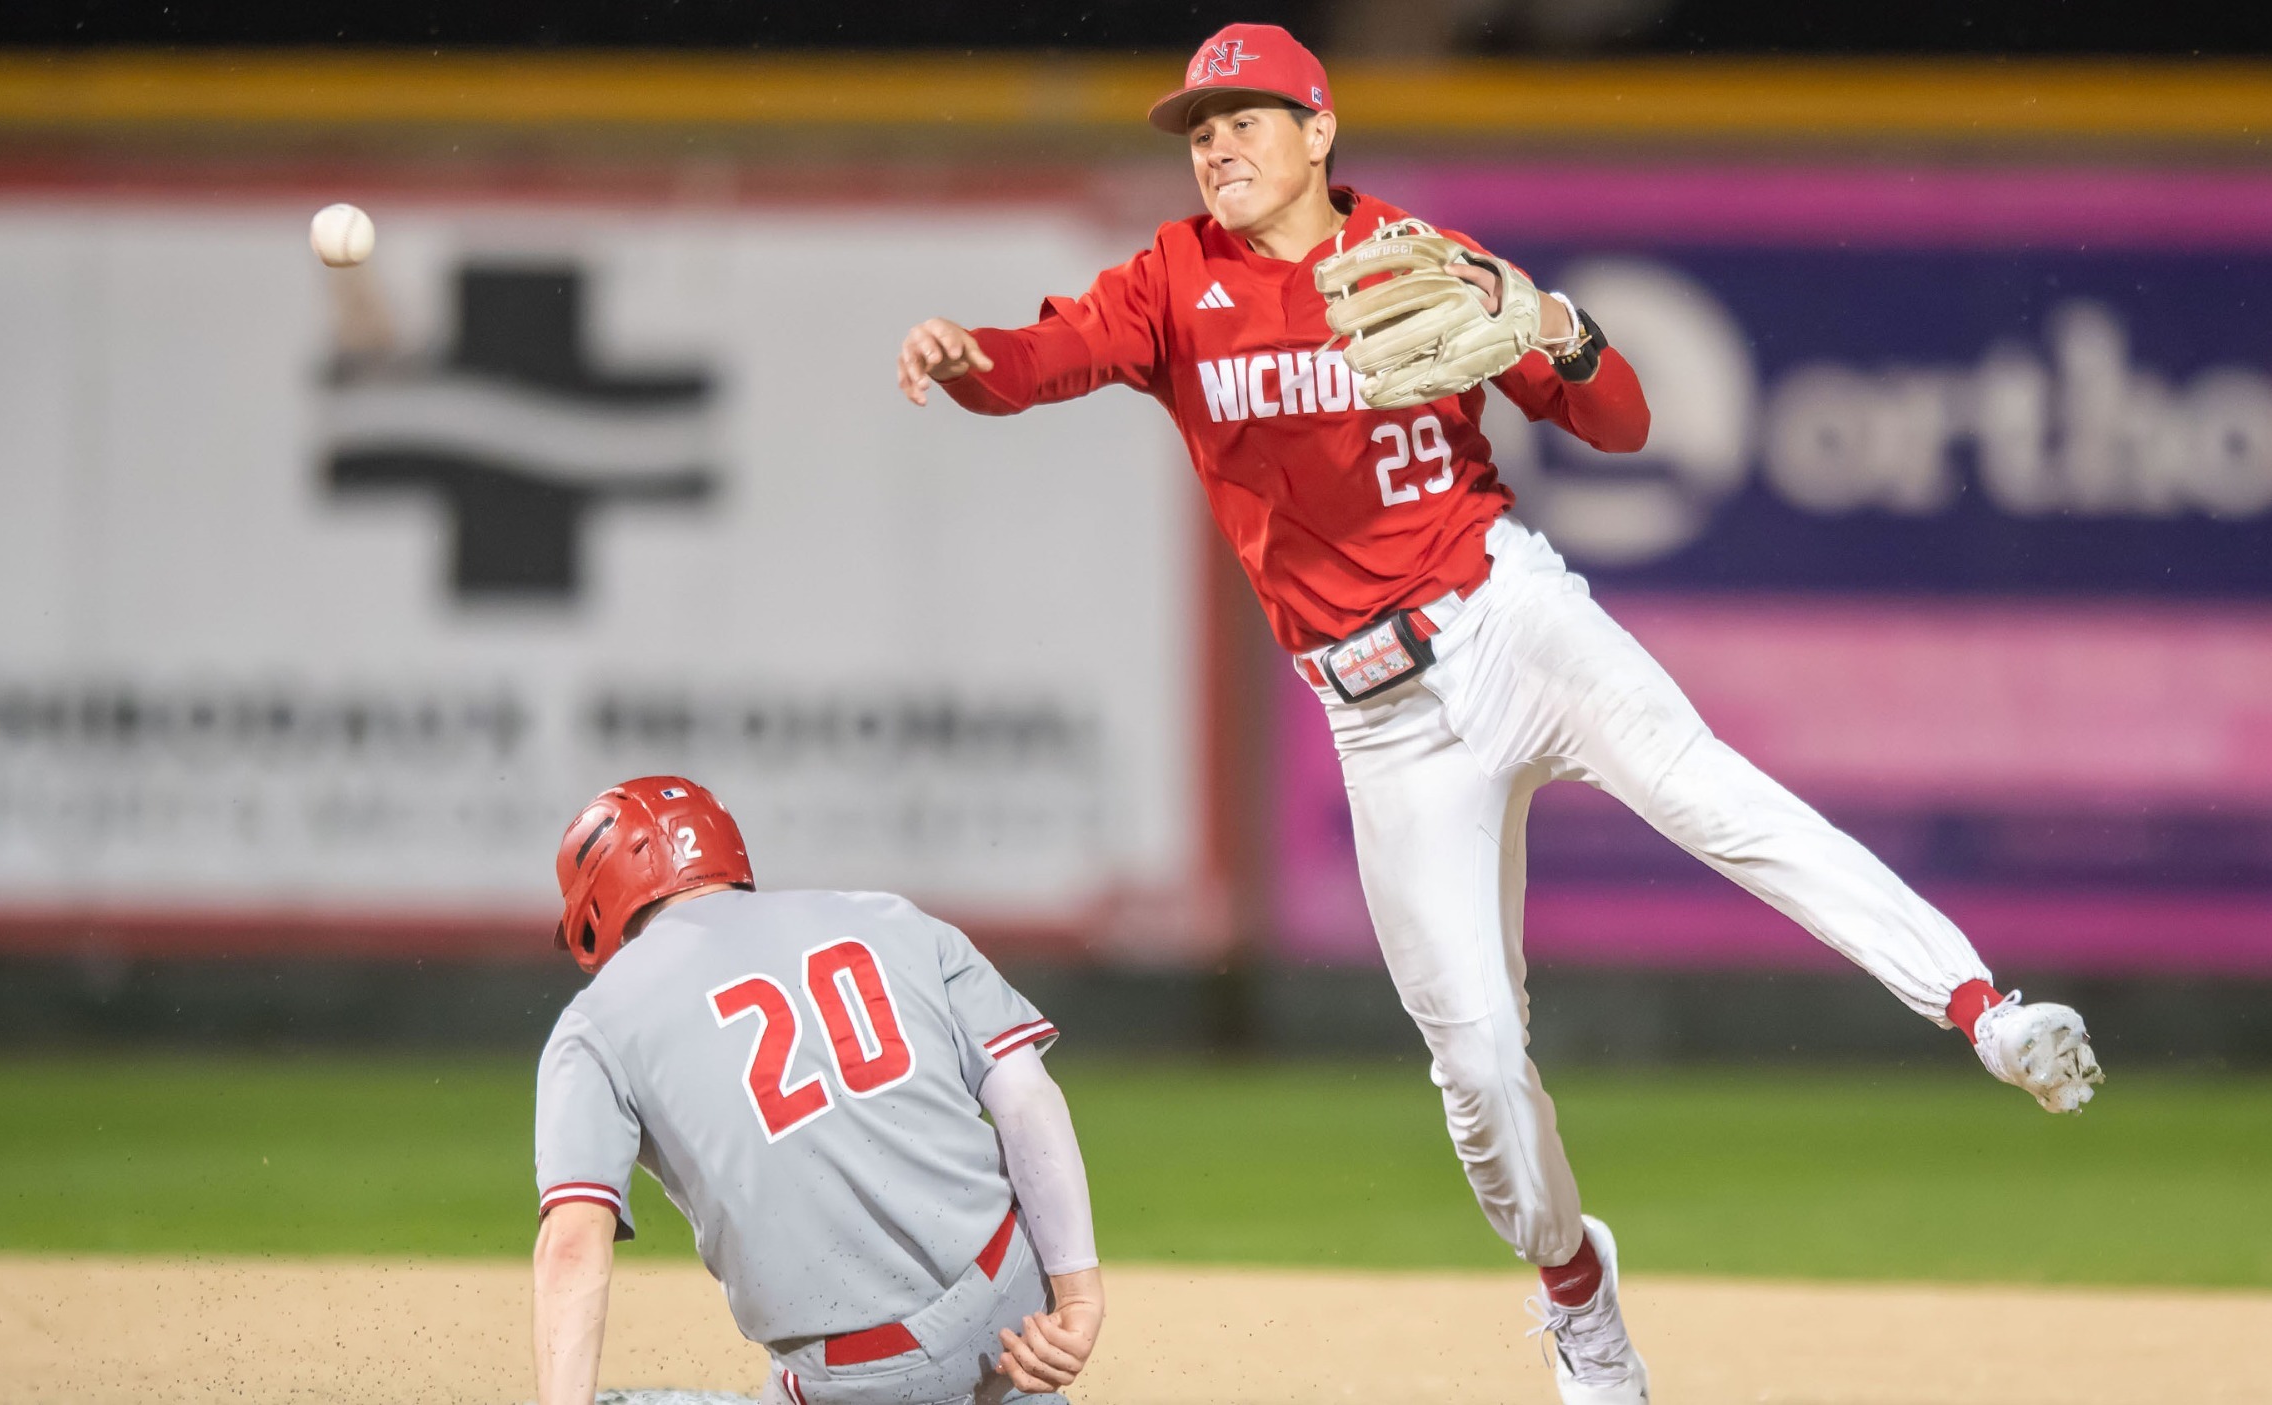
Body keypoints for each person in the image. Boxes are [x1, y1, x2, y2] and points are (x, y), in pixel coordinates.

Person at [893, 22, 2103, 1405]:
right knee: (1474, 1058)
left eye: (1243, 120)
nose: (1216, 147)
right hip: (1378, 719)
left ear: (1319, 130)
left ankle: (1983, 1010)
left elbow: (1621, 424)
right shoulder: (1175, 279)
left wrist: (1560, 330)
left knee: (1716, 796)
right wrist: (966, 354)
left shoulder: (1421, 257)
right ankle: (1578, 1295)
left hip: (1506, 616)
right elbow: (1038, 361)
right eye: (1200, 130)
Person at [531, 776, 1103, 1405]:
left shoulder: (594, 1024)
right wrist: (1078, 1296)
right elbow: (1025, 1097)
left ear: (594, 913)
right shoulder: (890, 917)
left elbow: (573, 1244)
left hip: (860, 1378)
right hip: (1016, 1314)